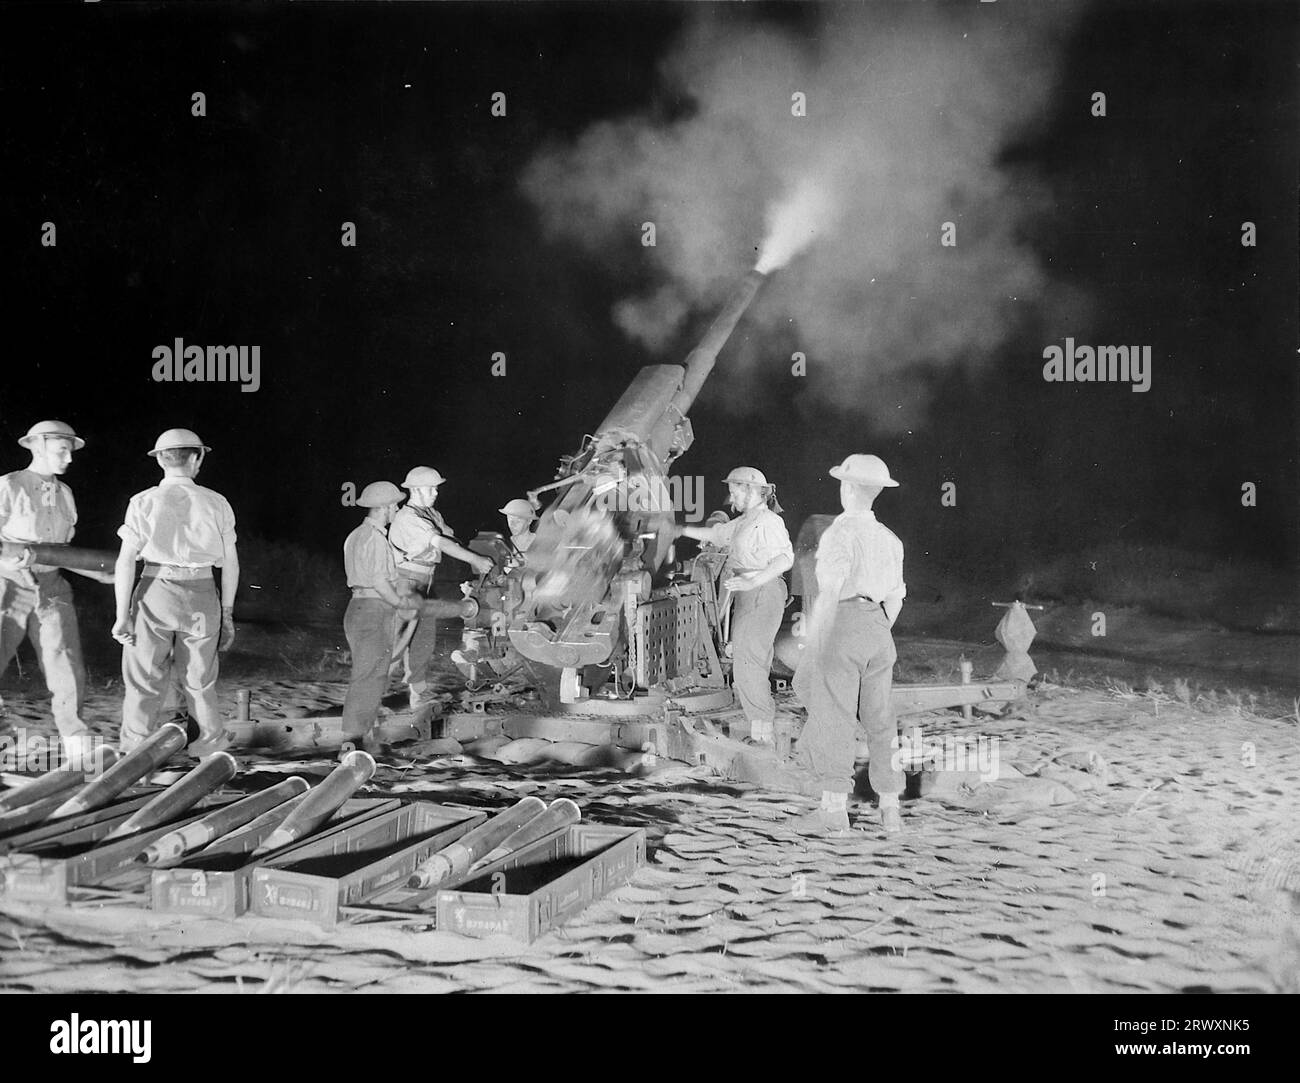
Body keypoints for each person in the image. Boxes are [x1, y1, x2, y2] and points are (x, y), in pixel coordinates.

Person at [792, 454, 906, 836]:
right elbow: (895, 598)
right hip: (879, 627)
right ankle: (890, 809)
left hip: (842, 623)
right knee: (880, 720)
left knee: (834, 716)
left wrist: (818, 639)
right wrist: (875, 629)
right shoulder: (891, 539)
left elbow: (830, 593)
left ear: (848, 488)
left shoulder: (839, 533)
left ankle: (834, 813)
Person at [111, 429, 239, 757]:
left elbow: (125, 561)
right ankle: (209, 752)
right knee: (199, 679)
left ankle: (135, 754)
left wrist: (121, 616)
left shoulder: (142, 502)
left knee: (143, 679)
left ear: (161, 460)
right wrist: (226, 613)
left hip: (155, 591)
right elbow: (231, 565)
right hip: (201, 594)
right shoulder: (216, 502)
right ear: (197, 458)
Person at [0, 421, 114, 767]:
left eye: (70, 450)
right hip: (8, 584)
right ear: (37, 447)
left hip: (52, 588)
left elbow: (59, 551)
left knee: (66, 664)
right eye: (61, 450)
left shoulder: (65, 494)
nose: (69, 458)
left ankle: (77, 744)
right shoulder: (9, 485)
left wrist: (97, 574)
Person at [678, 467, 793, 745]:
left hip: (762, 592)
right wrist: (678, 529)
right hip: (748, 593)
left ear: (752, 490)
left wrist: (754, 581)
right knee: (748, 662)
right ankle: (761, 733)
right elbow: (718, 535)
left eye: (735, 491)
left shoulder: (767, 521)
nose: (731, 498)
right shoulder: (744, 521)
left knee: (748, 663)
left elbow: (784, 558)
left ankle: (763, 738)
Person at [388, 466, 492, 707]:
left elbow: (452, 539)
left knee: (424, 637)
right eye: (430, 488)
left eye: (436, 488)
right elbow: (441, 542)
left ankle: (418, 693)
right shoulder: (408, 517)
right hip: (404, 581)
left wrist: (482, 552)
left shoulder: (431, 514)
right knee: (395, 640)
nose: (435, 492)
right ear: (415, 489)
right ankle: (369, 692)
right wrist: (475, 560)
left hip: (425, 582)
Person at [340, 482, 416, 748]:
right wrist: (401, 604)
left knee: (369, 674)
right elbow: (381, 583)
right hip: (374, 610)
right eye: (394, 505)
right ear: (383, 508)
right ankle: (352, 741)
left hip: (357, 609)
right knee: (368, 677)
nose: (397, 508)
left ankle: (362, 736)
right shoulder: (375, 539)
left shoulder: (354, 536)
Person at [498, 497, 537, 568]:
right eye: (510, 519)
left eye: (518, 521)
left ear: (529, 521)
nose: (512, 524)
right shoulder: (505, 544)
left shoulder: (539, 542)